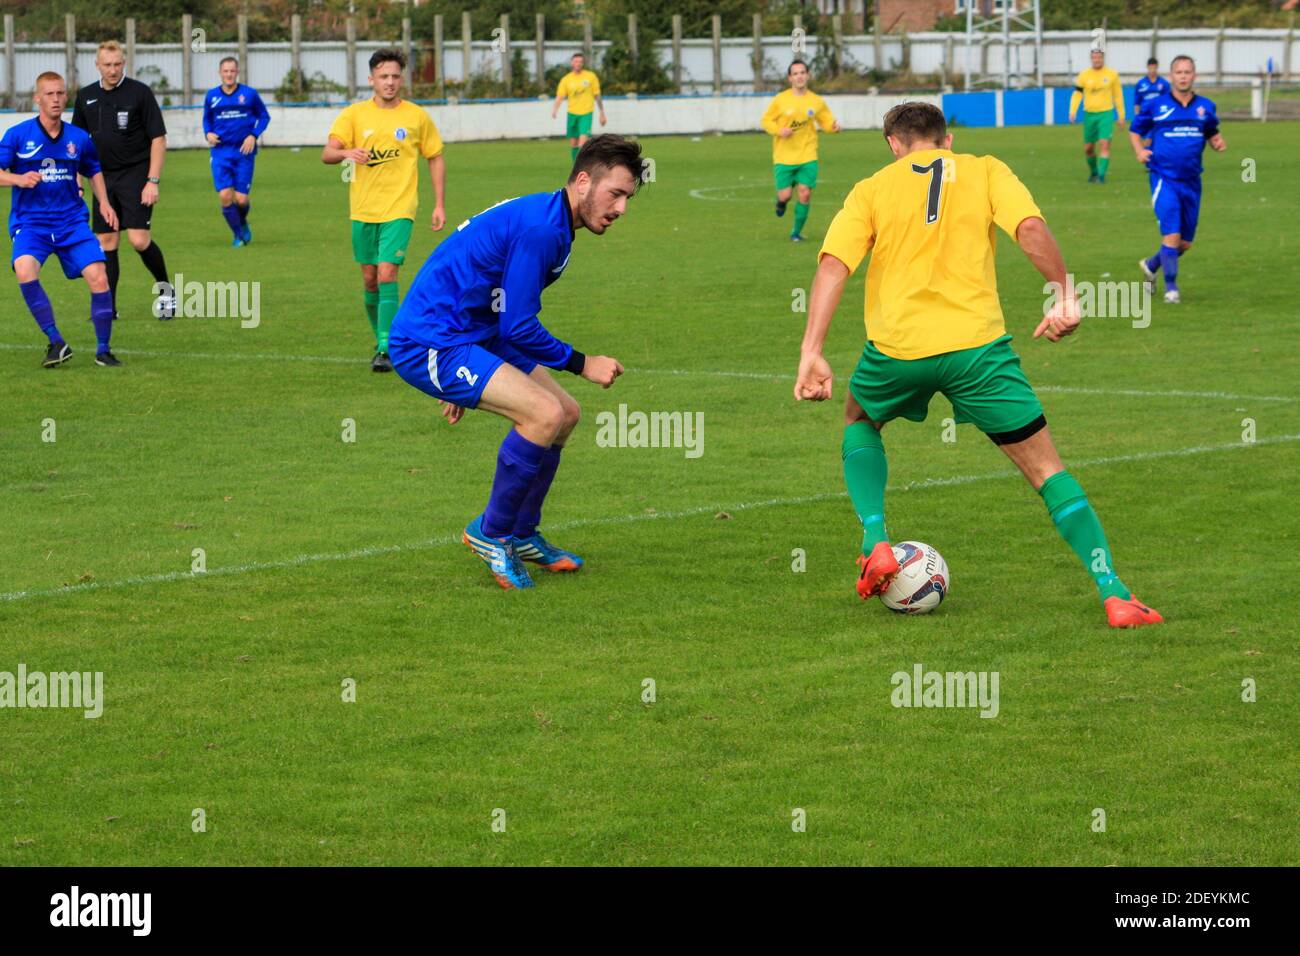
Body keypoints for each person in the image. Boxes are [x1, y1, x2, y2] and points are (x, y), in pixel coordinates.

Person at [793, 102, 1162, 629]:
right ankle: (1115, 593)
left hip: (898, 351)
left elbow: (834, 265)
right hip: (978, 351)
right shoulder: (986, 168)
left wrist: (812, 350)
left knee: (860, 419)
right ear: (947, 140)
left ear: (894, 145)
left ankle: (876, 538)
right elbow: (1030, 228)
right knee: (1046, 469)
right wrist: (1063, 293)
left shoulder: (872, 187)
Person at [387, 135, 642, 590]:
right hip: (431, 340)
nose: (621, 208)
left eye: (628, 198)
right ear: (583, 181)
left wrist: (475, 376)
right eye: (616, 193)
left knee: (566, 414)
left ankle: (522, 534)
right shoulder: (544, 229)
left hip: (470, 332)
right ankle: (491, 532)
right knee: (542, 413)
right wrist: (584, 363)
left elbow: (497, 301)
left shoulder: (553, 218)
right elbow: (519, 328)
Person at [322, 49, 446, 373]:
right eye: (383, 76)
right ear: (371, 80)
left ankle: (387, 346)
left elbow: (434, 156)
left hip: (400, 208)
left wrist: (439, 204)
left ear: (401, 79)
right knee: (369, 279)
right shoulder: (354, 115)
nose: (389, 82)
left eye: (394, 76)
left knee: (387, 272)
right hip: (363, 210)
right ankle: (380, 334)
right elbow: (327, 153)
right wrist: (349, 152)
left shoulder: (416, 117)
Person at [1, 72, 120, 366]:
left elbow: (93, 170)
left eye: (60, 94)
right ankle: (56, 342)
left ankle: (103, 350)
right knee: (25, 270)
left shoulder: (79, 138)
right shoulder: (17, 135)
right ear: (37, 99)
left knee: (99, 276)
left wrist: (104, 202)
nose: (56, 99)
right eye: (50, 94)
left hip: (71, 223)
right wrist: (18, 178)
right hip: (31, 224)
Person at [71, 39, 172, 320]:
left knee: (139, 240)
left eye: (117, 64)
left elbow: (158, 139)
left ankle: (166, 291)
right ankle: (109, 307)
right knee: (107, 242)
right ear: (97, 65)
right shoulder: (85, 96)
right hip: (101, 178)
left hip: (136, 175)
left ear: (124, 63)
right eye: (107, 65)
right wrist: (76, 181)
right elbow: (76, 144)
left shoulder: (140, 93)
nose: (113, 70)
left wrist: (153, 180)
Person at [1131, 56, 1225, 305]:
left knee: (1184, 243)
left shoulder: (1206, 107)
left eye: (1187, 72)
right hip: (1164, 178)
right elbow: (1135, 130)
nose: (1183, 76)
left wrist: (1216, 142)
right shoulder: (1157, 106)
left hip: (1192, 181)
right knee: (1172, 236)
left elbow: (1212, 131)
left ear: (1194, 75)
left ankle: (1151, 265)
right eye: (1178, 72)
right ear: (1171, 76)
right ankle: (1171, 289)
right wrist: (1140, 151)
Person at [760, 59, 840, 242]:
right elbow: (766, 120)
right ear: (790, 78)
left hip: (807, 155)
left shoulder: (816, 101)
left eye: (802, 72)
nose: (799, 76)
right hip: (784, 157)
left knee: (804, 193)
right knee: (786, 194)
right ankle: (781, 202)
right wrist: (779, 131)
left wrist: (832, 127)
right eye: (795, 73)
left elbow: (826, 120)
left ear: (808, 75)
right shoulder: (780, 100)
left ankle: (795, 233)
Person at [202, 56, 270, 247]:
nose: (229, 75)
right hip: (220, 152)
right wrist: (208, 133)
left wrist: (253, 135)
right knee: (225, 195)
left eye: (232, 71)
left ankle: (242, 224)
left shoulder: (249, 94)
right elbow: (206, 119)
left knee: (241, 199)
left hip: (244, 152)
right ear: (220, 73)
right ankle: (238, 234)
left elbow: (264, 117)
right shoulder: (211, 96)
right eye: (226, 71)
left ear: (237, 72)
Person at [1068, 47, 1125, 184]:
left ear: (1103, 58)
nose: (1097, 60)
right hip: (1089, 115)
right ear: (1091, 59)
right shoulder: (1084, 75)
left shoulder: (1112, 75)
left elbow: (1118, 96)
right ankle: (1094, 172)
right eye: (1094, 58)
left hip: (1106, 113)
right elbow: (1077, 94)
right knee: (1088, 149)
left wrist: (1121, 116)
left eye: (1099, 57)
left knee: (1104, 144)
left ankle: (1101, 176)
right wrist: (1073, 111)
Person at [551, 53, 606, 163]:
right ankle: (576, 168)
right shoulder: (566, 79)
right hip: (572, 114)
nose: (578, 64)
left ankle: (583, 168)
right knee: (574, 144)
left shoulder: (590, 77)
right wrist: (555, 109)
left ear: (583, 63)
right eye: (576, 61)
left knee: (582, 144)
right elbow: (560, 96)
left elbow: (597, 95)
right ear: (572, 63)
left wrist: (602, 112)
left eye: (580, 62)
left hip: (586, 113)